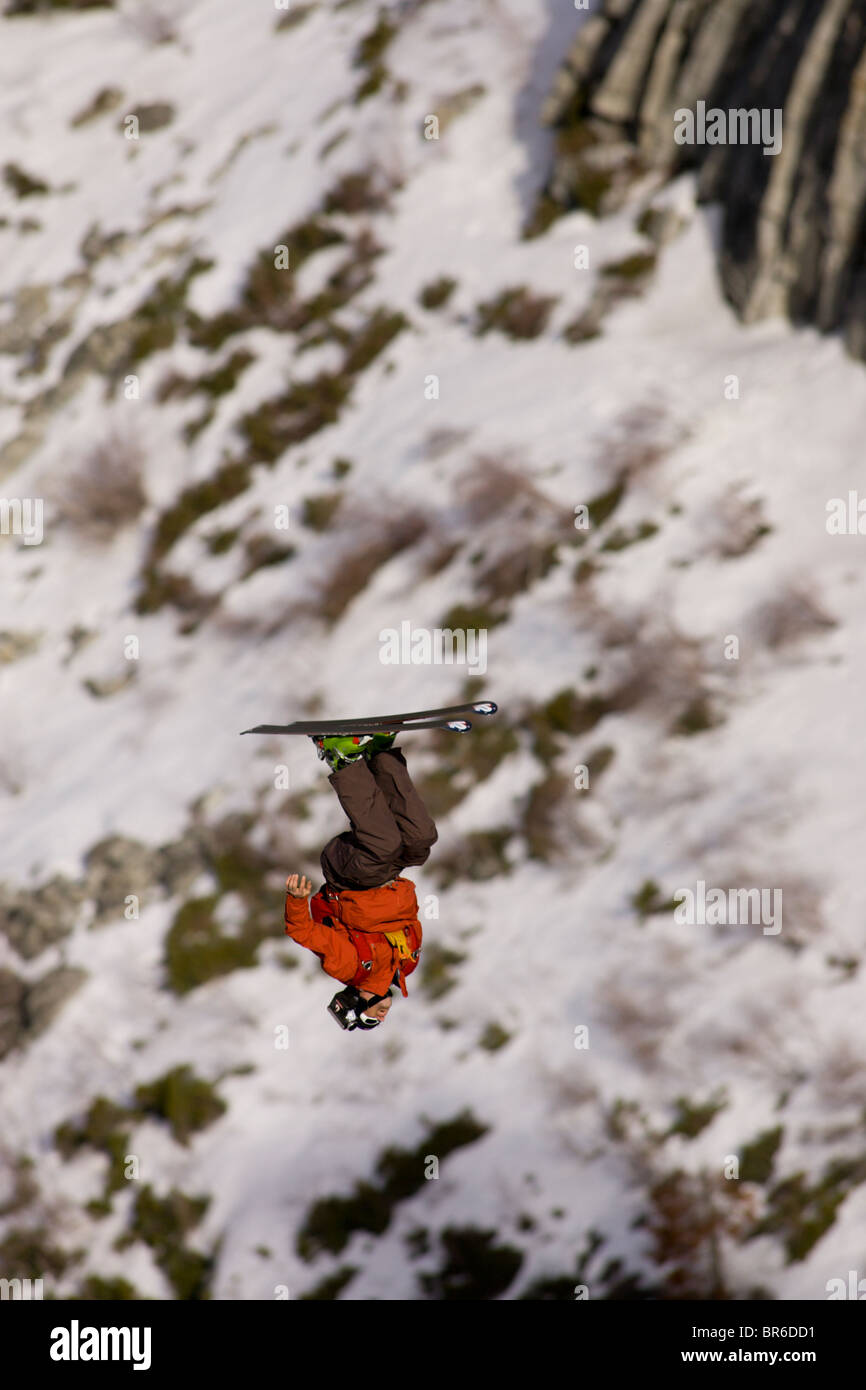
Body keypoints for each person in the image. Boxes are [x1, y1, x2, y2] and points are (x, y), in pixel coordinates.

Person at [283, 731, 437, 1030]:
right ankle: (381, 756)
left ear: (354, 1004)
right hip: (386, 878)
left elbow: (302, 931)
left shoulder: (348, 967)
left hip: (348, 878)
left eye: (370, 1018)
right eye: (380, 1019)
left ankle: (341, 758)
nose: (381, 1015)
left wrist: (297, 900)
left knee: (384, 844)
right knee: (421, 840)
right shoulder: (408, 964)